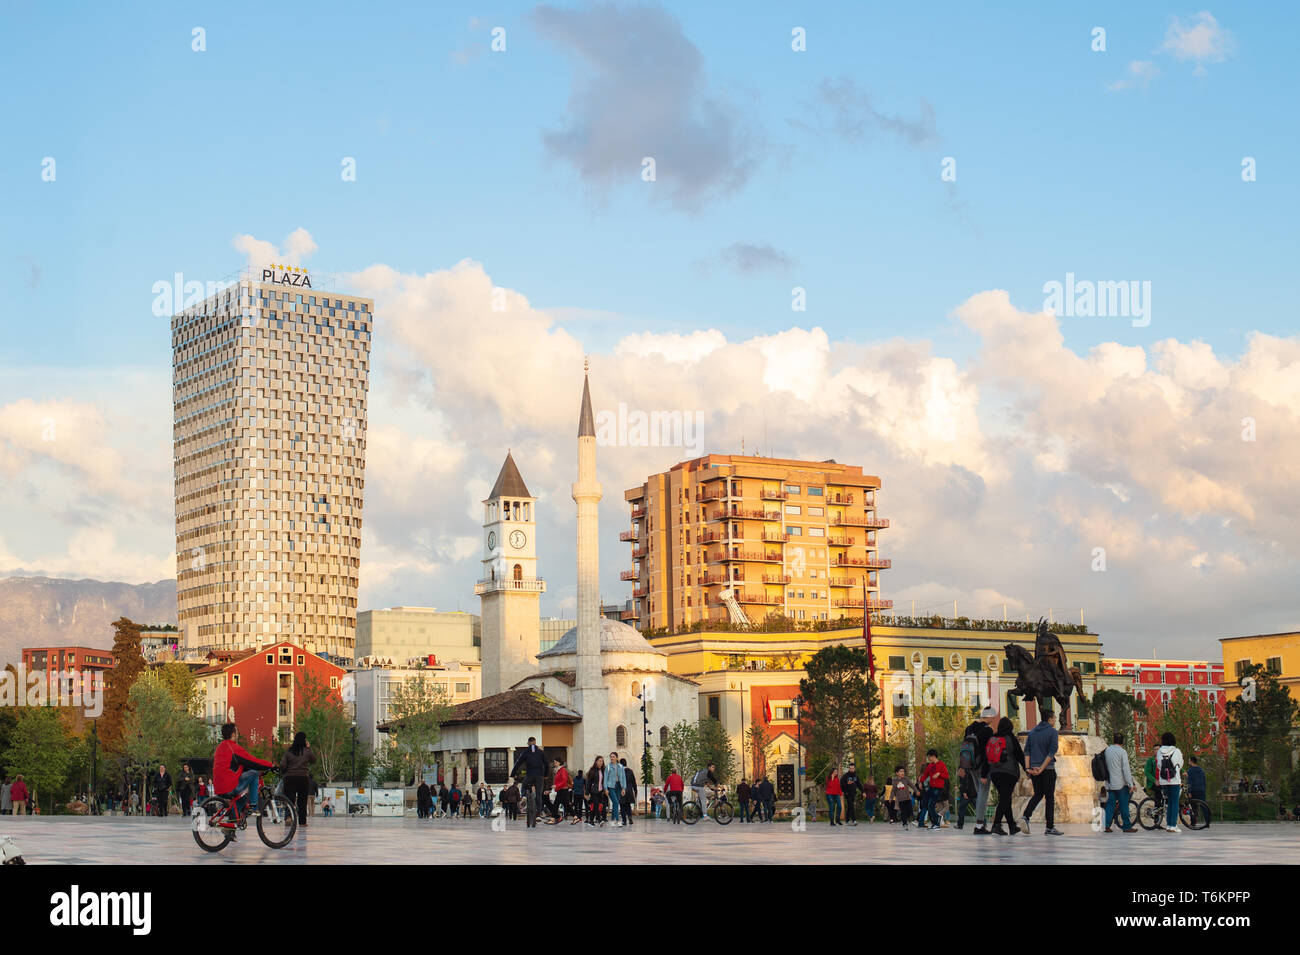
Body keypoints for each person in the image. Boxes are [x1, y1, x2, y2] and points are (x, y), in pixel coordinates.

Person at [212, 722, 273, 828]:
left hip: (218, 786)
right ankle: (254, 807)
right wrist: (271, 765)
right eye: (237, 732)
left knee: (242, 798)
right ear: (233, 734)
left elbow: (234, 765)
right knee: (254, 773)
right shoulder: (234, 748)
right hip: (229, 785)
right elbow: (252, 761)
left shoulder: (220, 747)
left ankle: (230, 827)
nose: (238, 735)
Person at [1022, 708, 1063, 836]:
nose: (1055, 720)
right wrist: (1042, 767)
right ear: (1050, 718)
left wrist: (1028, 768)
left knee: (1038, 794)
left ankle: (1025, 816)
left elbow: (1027, 751)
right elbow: (1051, 752)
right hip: (1047, 769)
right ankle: (1049, 827)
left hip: (1033, 769)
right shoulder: (1052, 732)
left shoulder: (1032, 732)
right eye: (1054, 718)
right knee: (1049, 796)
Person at [962, 706, 998, 834]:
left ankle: (981, 823)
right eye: (993, 718)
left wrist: (963, 767)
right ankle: (979, 826)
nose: (993, 720)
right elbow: (986, 752)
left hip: (970, 766)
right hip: (982, 767)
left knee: (979, 795)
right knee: (983, 794)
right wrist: (984, 773)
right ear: (988, 717)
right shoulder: (987, 731)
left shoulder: (969, 728)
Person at [987, 717, 1026, 835]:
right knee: (1005, 799)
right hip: (1008, 773)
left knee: (1005, 798)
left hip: (994, 773)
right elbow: (1019, 755)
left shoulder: (993, 737)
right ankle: (996, 825)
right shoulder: (1010, 738)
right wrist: (1027, 769)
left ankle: (1012, 826)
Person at [1102, 732, 1138, 833]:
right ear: (1123, 741)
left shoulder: (1107, 750)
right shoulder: (1122, 752)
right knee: (1124, 805)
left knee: (1110, 805)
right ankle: (1126, 826)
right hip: (1121, 784)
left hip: (1110, 783)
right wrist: (1131, 784)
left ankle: (1107, 825)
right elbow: (1126, 770)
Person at [279, 731, 317, 827]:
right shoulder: (307, 751)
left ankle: (288, 817)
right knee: (302, 801)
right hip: (303, 779)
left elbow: (282, 765)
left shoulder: (288, 751)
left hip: (289, 778)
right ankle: (302, 822)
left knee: (289, 799)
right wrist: (309, 748)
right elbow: (314, 760)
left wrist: (285, 773)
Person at [510, 737, 551, 822]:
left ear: (528, 743)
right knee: (539, 795)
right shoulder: (540, 752)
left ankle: (524, 795)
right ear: (535, 742)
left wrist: (513, 774)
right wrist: (546, 775)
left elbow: (518, 762)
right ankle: (538, 815)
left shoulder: (526, 752)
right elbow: (547, 764)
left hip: (529, 775)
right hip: (539, 776)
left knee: (524, 786)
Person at [1155, 732, 1185, 832]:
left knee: (1169, 802)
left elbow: (1159, 765)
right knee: (1174, 802)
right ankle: (1173, 825)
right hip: (1174, 780)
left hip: (1163, 780)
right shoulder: (1176, 751)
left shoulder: (1159, 751)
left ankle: (1168, 824)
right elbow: (1180, 764)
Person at [917, 750, 949, 830]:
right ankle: (936, 821)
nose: (929, 759)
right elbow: (925, 774)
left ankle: (936, 824)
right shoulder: (930, 765)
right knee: (926, 804)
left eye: (929, 757)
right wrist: (921, 782)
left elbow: (946, 775)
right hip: (931, 787)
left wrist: (939, 774)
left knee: (931, 805)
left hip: (938, 788)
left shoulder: (941, 764)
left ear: (933, 756)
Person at [605, 752, 627, 828]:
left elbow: (624, 778)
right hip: (611, 787)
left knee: (615, 804)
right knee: (616, 802)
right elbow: (605, 779)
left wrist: (624, 788)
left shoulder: (621, 767)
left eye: (613, 757)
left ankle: (612, 821)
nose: (612, 758)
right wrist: (605, 788)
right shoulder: (608, 767)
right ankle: (617, 821)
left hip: (619, 786)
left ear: (617, 758)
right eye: (611, 757)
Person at [586, 756, 607, 827]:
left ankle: (591, 821)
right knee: (596, 805)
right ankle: (599, 819)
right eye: (600, 761)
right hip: (594, 791)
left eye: (602, 761)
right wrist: (587, 793)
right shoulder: (592, 771)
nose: (601, 762)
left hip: (600, 791)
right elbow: (588, 783)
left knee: (595, 806)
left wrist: (605, 789)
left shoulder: (603, 770)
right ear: (596, 762)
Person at [619, 758, 637, 826]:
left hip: (622, 791)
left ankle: (624, 820)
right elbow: (634, 781)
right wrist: (635, 791)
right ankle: (630, 817)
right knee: (628, 805)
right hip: (629, 791)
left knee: (622, 806)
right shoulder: (630, 771)